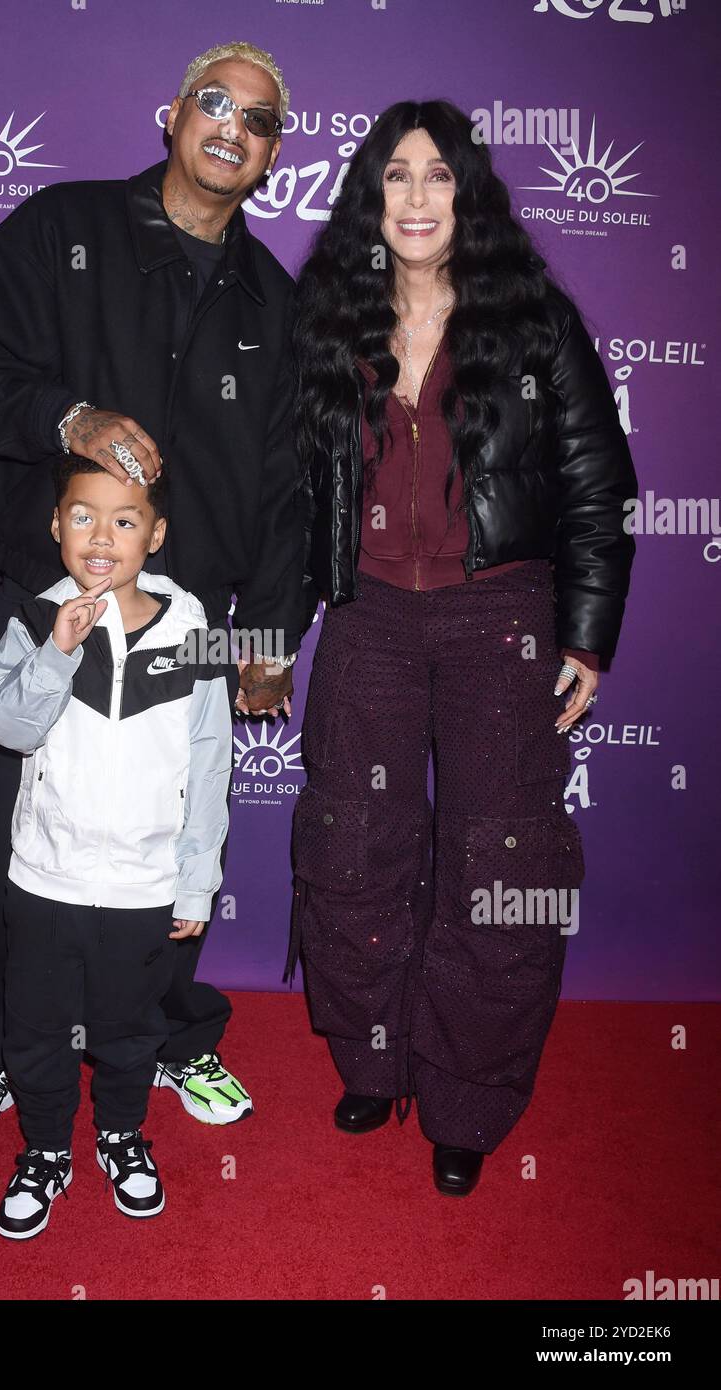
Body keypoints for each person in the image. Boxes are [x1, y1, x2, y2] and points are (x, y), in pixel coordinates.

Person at [0, 41, 307, 1163]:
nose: (233, 126)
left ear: (274, 156)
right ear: (172, 114)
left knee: (169, 838)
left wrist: (267, 636)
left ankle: (164, 1032)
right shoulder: (59, 230)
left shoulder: (278, 305)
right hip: (52, 609)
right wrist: (68, 419)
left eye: (261, 119)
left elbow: (288, 492)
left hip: (187, 629)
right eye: (215, 102)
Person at [291, 99, 637, 1196]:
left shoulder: (533, 319)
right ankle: (374, 1056)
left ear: (470, 192)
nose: (419, 198)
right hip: (369, 623)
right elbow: (277, 492)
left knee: (504, 867)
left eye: (440, 176)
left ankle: (467, 1095)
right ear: (370, 197)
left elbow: (598, 487)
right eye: (398, 176)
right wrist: (262, 630)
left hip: (501, 619)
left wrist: (585, 636)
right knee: (357, 847)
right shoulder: (329, 319)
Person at [0, 453, 233, 1236]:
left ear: (154, 535)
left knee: (131, 1029)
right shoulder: (29, 618)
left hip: (144, 885)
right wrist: (58, 649)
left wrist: (195, 882)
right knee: (37, 1029)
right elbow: (8, 728)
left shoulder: (198, 632)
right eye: (81, 515)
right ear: (56, 525)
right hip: (46, 877)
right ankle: (47, 1149)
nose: (100, 535)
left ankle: (121, 1135)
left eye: (124, 521)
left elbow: (211, 759)